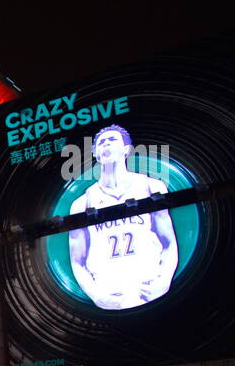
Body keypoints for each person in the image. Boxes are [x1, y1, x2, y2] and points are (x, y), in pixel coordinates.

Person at [68, 124, 178, 310]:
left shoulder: (152, 186)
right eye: (101, 142)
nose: (106, 145)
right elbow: (77, 261)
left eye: (112, 140)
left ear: (126, 149)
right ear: (95, 153)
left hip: (149, 288)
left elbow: (168, 242)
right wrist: (96, 295)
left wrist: (164, 280)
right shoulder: (81, 203)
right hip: (111, 294)